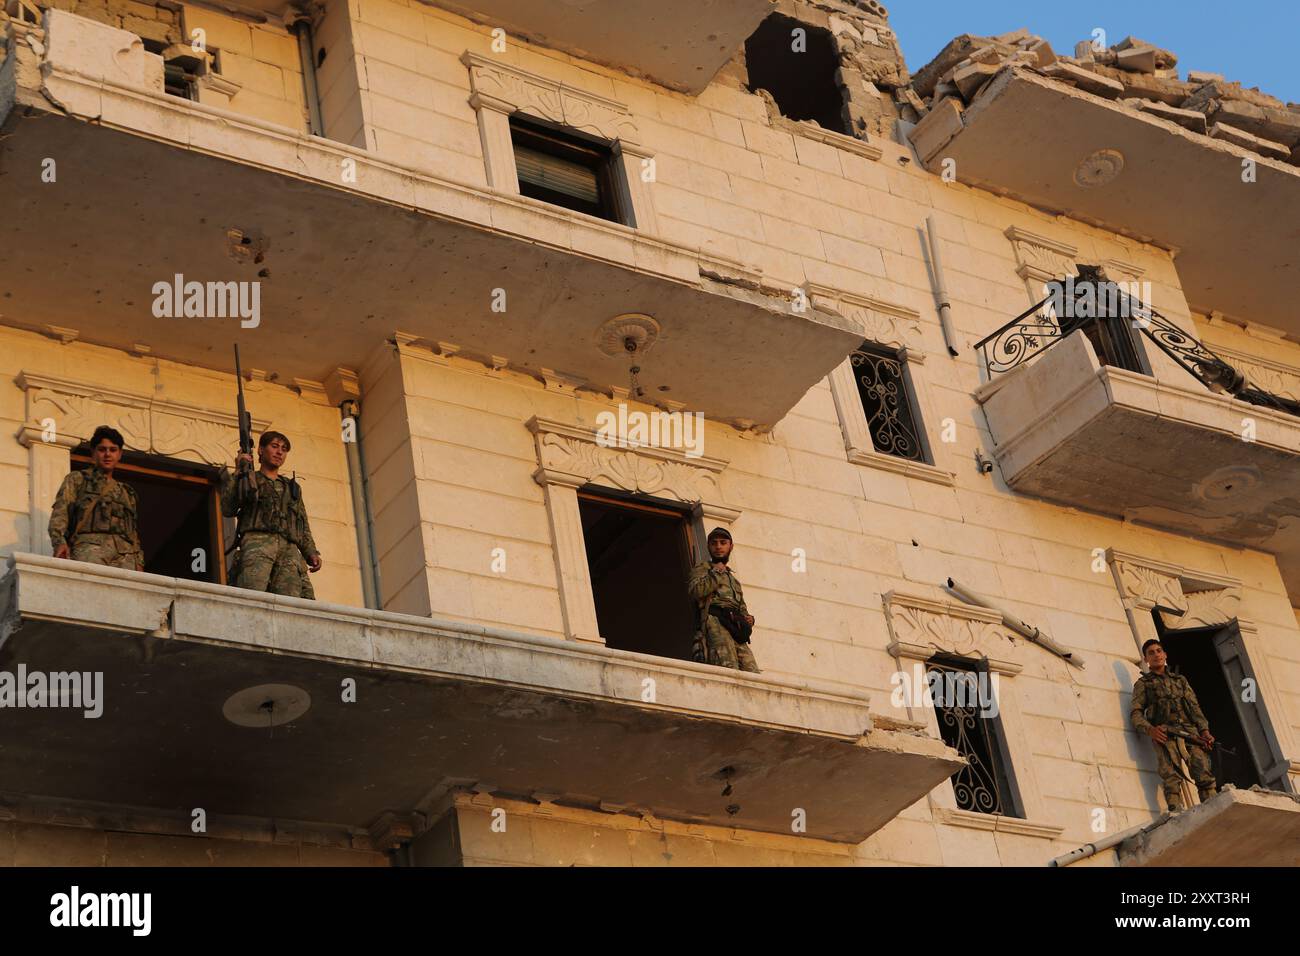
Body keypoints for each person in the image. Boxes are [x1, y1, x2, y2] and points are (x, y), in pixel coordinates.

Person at [221, 430, 321, 599]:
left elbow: (301, 523)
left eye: (284, 449)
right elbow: (227, 508)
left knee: (290, 603)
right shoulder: (248, 479)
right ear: (260, 450)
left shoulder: (292, 488)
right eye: (274, 446)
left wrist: (311, 551)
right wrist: (239, 471)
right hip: (257, 543)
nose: (279, 452)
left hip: (288, 550)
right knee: (252, 597)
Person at [1130, 638, 1218, 811]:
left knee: (1203, 772)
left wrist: (1204, 730)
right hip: (1165, 734)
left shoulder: (1180, 680)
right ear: (1146, 659)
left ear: (1165, 654)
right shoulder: (1143, 684)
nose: (1156, 655)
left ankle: (1214, 808)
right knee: (1170, 776)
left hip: (1190, 732)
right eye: (1151, 653)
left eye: (1158, 651)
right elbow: (1136, 713)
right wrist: (1150, 730)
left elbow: (1194, 707)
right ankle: (1176, 813)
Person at [49, 425, 144, 571]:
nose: (107, 454)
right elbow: (60, 515)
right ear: (93, 453)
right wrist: (59, 543)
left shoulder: (126, 492)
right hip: (89, 549)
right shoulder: (78, 479)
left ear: (120, 454)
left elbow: (133, 534)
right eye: (102, 449)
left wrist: (139, 562)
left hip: (125, 556)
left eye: (113, 450)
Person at [688, 527, 759, 673]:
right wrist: (716, 573)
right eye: (714, 543)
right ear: (709, 547)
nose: (718, 547)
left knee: (752, 673)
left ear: (731, 546)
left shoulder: (733, 580)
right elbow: (696, 591)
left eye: (723, 542)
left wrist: (748, 618)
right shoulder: (703, 569)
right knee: (727, 669)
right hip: (715, 623)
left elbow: (741, 607)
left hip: (736, 627)